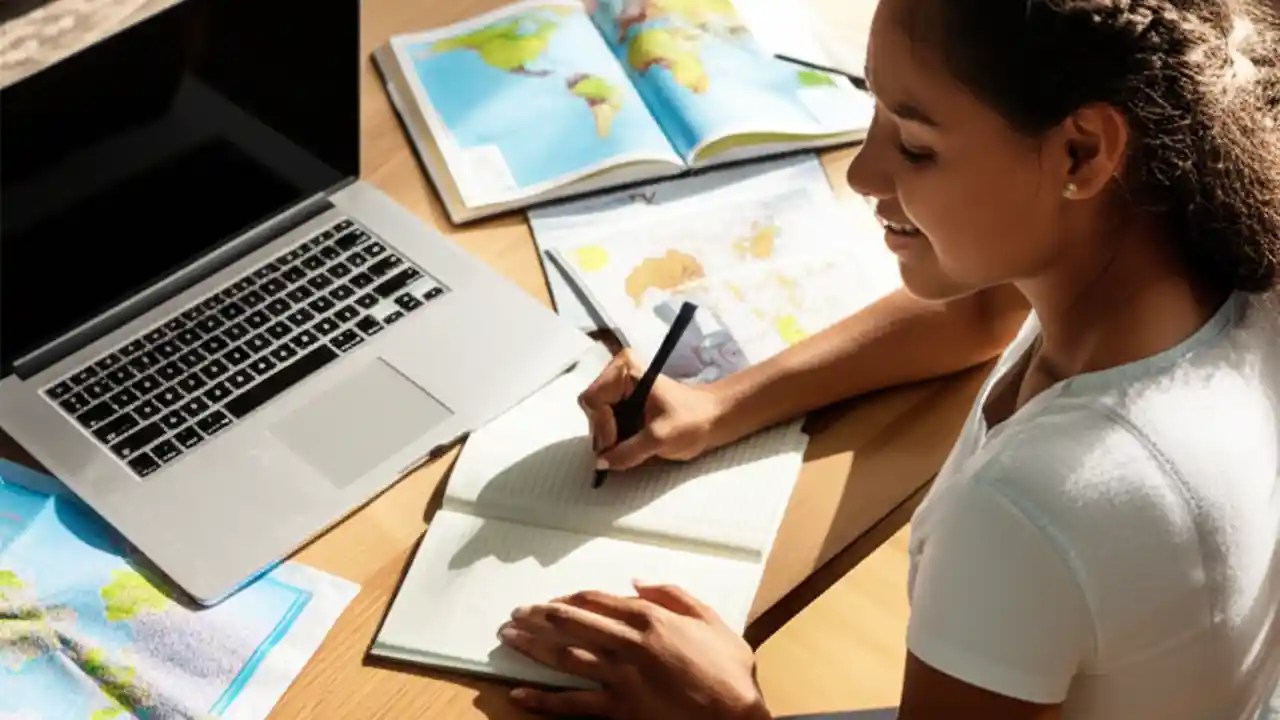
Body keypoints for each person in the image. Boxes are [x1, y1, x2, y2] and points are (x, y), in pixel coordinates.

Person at [496, 0, 1280, 717]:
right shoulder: (1205, 242)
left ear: (1082, 151)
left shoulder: (1035, 506)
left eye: (914, 144)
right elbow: (980, 310)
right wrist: (722, 402)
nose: (864, 172)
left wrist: (726, 715)